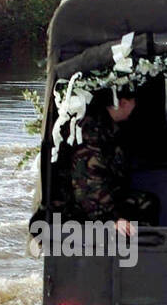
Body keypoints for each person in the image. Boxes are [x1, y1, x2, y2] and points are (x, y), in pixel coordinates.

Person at [48, 88, 158, 236]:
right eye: (133, 103)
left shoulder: (106, 125)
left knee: (148, 201)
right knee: (142, 207)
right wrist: (112, 219)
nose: (135, 108)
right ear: (123, 103)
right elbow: (86, 186)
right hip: (77, 207)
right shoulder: (91, 132)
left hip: (98, 195)